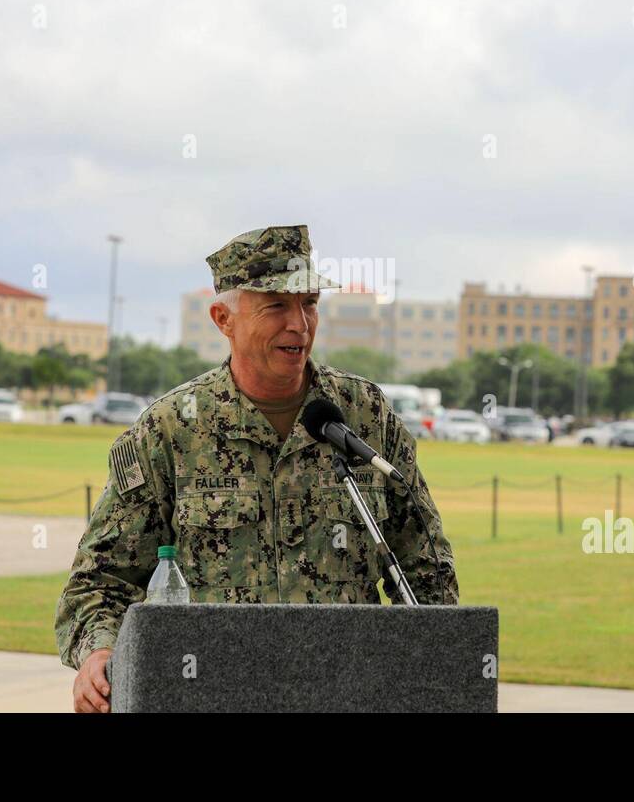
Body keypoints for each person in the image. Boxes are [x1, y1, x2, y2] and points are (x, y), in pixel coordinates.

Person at [54, 224, 458, 713]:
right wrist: (99, 651)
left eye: (309, 303)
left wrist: (439, 671)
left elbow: (425, 571)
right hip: (211, 693)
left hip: (344, 693)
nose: (300, 324)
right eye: (277, 306)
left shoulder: (364, 416)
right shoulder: (170, 430)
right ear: (223, 318)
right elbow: (100, 581)